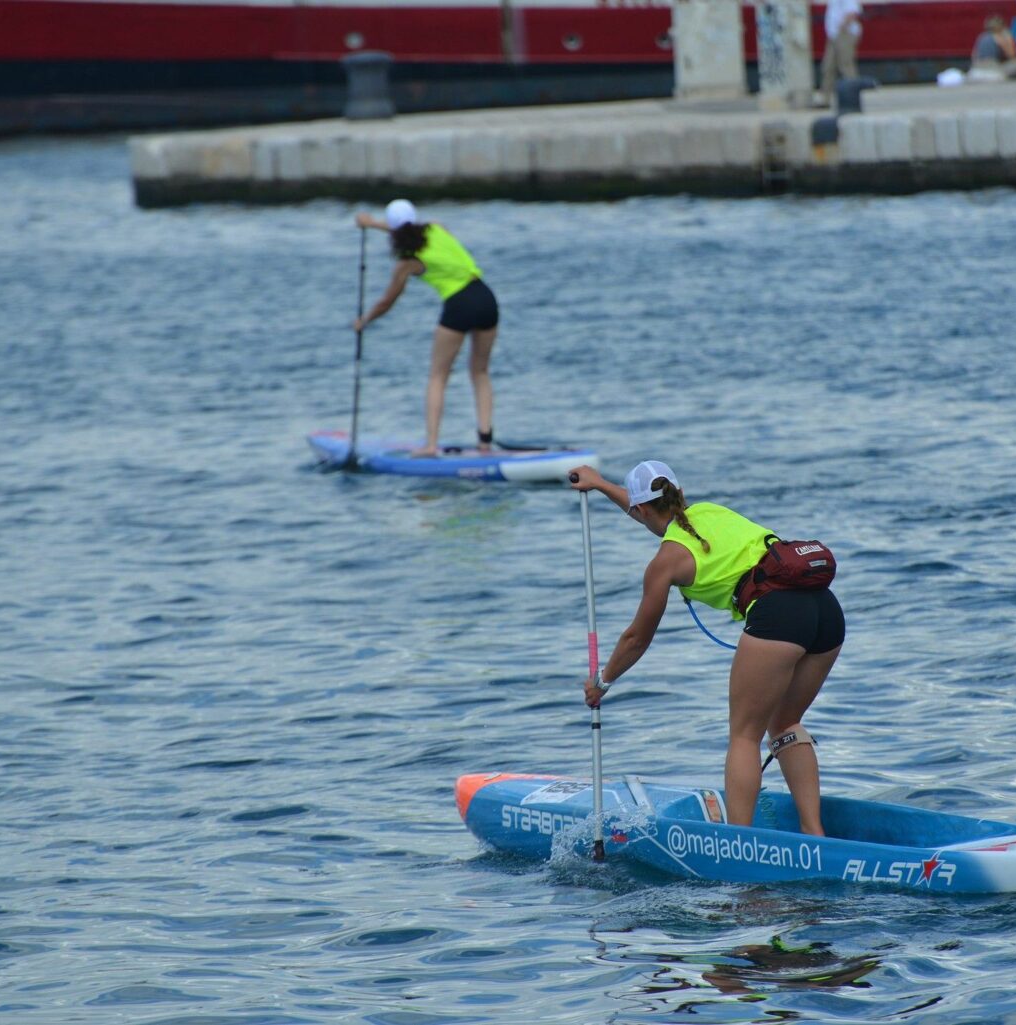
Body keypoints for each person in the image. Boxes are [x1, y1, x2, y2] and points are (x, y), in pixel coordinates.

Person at [568, 460, 845, 837]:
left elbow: (637, 638)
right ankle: (815, 833)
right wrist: (600, 484)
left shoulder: (665, 563)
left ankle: (738, 844)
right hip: (826, 610)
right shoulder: (708, 512)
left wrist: (603, 681)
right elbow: (654, 514)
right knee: (783, 723)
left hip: (779, 616)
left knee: (745, 735)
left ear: (641, 510)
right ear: (679, 494)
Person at [352, 199, 499, 457]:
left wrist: (364, 321)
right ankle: (485, 442)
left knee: (438, 375)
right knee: (480, 372)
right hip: (486, 297)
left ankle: (430, 445)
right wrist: (374, 224)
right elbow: (407, 229)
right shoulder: (436, 227)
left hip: (459, 304)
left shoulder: (408, 262)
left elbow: (388, 301)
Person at [818, 0, 863, 106]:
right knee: (828, 66)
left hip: (844, 34)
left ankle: (853, 98)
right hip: (833, 35)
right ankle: (825, 99)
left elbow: (852, 13)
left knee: (846, 65)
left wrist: (842, 27)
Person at [969, 15, 1016, 82]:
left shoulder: (982, 37)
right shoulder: (1000, 37)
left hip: (976, 69)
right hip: (993, 69)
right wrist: (1009, 40)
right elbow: (1011, 55)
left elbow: (974, 55)